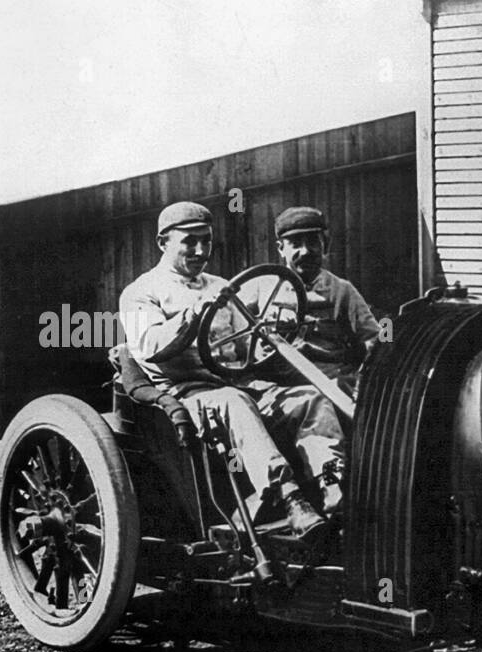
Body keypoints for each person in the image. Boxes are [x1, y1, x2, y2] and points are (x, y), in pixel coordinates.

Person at [118, 201, 335, 538]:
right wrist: (193, 315)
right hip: (187, 397)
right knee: (234, 401)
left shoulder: (221, 285)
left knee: (310, 399)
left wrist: (274, 331)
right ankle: (290, 498)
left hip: (241, 386)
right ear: (163, 243)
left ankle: (334, 489)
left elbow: (244, 349)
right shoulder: (139, 293)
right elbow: (149, 346)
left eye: (206, 241)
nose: (201, 250)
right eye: (189, 241)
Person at [241, 207, 381, 503]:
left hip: (335, 381)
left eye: (313, 242)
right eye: (296, 244)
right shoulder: (259, 287)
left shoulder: (342, 291)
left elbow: (373, 340)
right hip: (279, 389)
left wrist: (371, 378)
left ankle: (367, 488)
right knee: (316, 404)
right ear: (281, 249)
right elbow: (227, 335)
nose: (306, 251)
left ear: (325, 246)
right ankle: (332, 486)